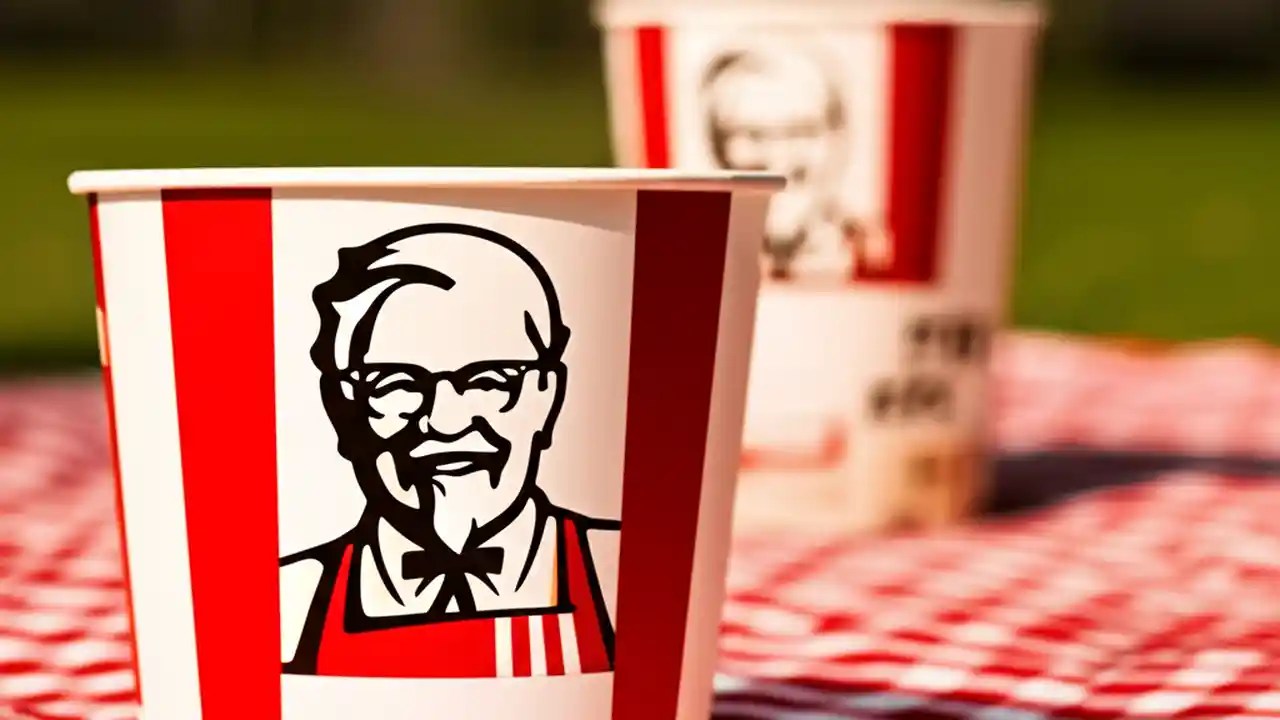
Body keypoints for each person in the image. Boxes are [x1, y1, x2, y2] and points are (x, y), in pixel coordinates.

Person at [280, 223, 619, 679]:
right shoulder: (289, 602)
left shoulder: (624, 575)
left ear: (546, 396)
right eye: (396, 384)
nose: (445, 421)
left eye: (488, 380)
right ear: (342, 409)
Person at [701, 48, 890, 280]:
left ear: (837, 139)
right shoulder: (697, 255)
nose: (778, 156)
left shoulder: (871, 250)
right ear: (717, 144)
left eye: (800, 131)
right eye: (752, 134)